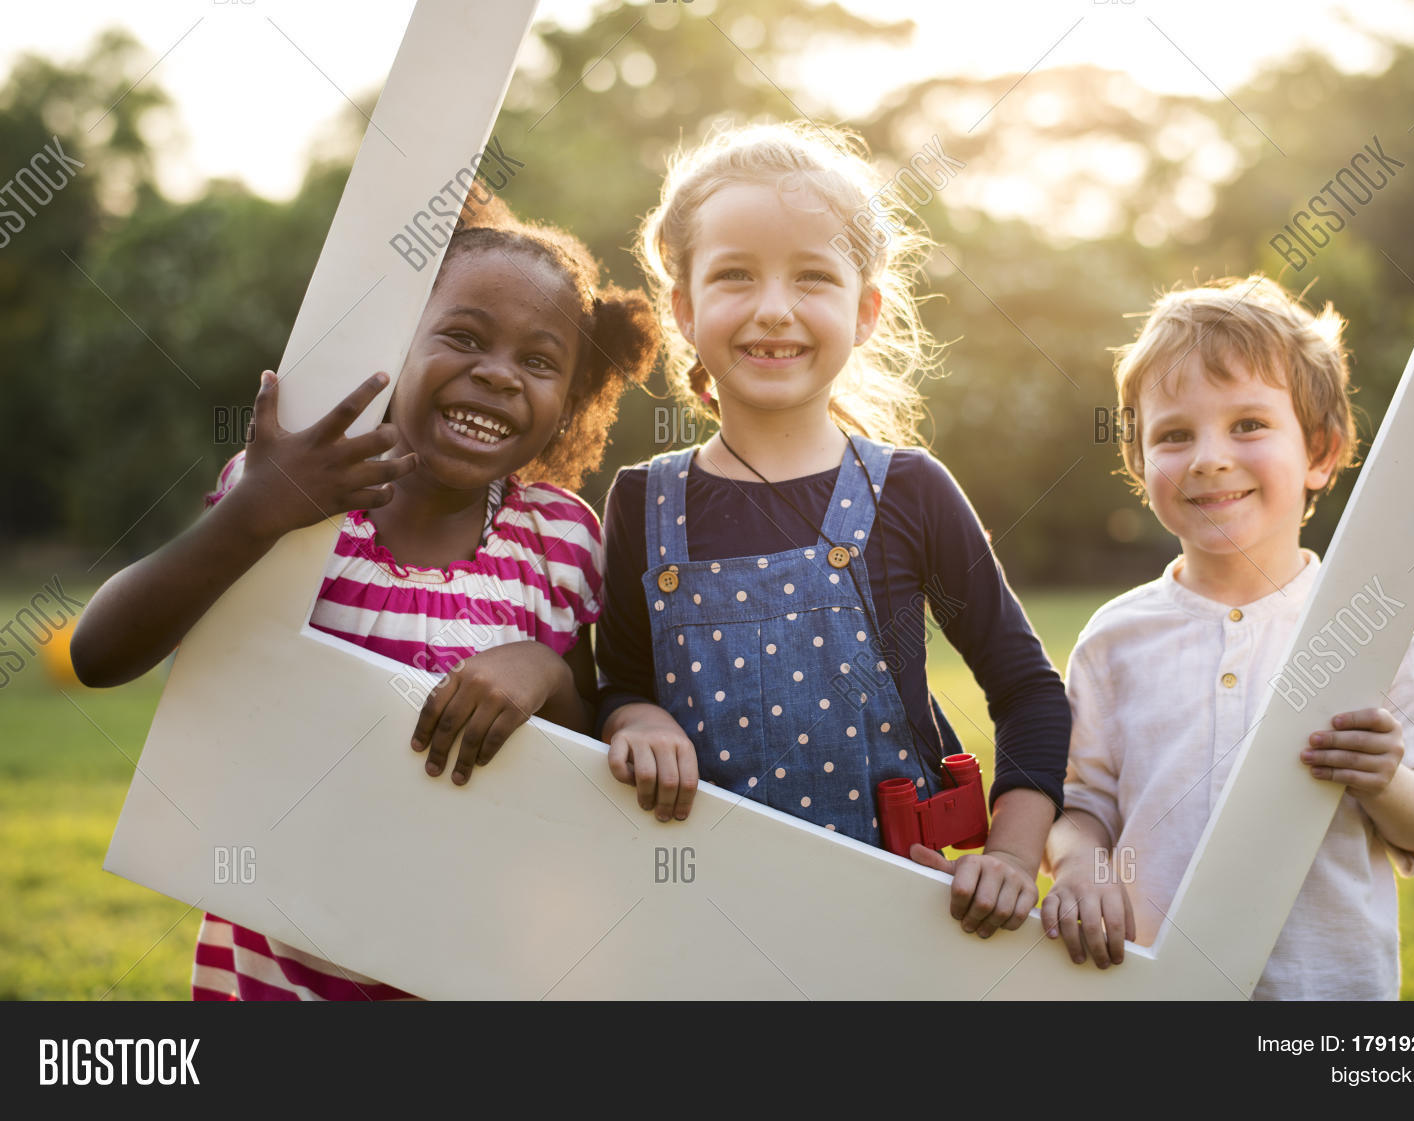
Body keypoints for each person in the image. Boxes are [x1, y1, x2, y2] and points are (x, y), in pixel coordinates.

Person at [70, 201, 662, 999]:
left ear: (571, 397)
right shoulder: (296, 503)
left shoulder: (561, 538)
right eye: (464, 337)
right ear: (397, 343)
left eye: (539, 359)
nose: (498, 373)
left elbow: (580, 759)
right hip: (278, 958)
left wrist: (544, 671)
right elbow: (99, 654)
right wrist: (259, 509)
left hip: (470, 957)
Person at [595, 122, 1072, 939]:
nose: (774, 308)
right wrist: (633, 717)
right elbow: (618, 685)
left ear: (866, 311)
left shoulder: (911, 491)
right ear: (685, 309)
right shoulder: (642, 502)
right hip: (699, 924)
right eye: (735, 274)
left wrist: (1013, 855)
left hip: (899, 926)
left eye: (813, 276)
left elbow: (1027, 690)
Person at [1042, 275, 1414, 998]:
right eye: (1175, 434)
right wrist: (1082, 865)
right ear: (1140, 464)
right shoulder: (1115, 641)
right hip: (1160, 993)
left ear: (1321, 452)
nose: (1209, 457)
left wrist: (1387, 781)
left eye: (1247, 424)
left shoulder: (1370, 630)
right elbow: (1083, 804)